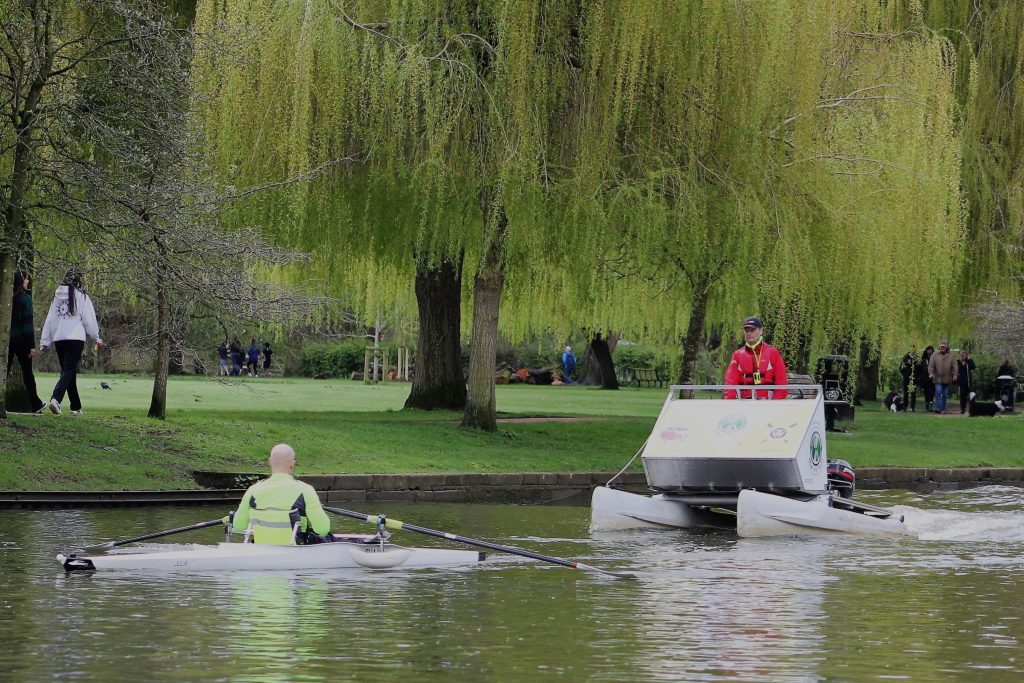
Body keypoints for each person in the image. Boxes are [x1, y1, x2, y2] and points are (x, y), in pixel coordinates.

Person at [228, 443, 331, 545]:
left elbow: (238, 526)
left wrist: (234, 517)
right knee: (327, 537)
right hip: (294, 553)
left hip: (261, 551)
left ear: (269, 462)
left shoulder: (252, 490)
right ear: (292, 464)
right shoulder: (306, 490)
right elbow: (322, 529)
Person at [39, 268, 102, 416]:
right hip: (75, 339)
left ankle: (76, 407)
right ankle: (56, 399)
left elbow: (50, 320)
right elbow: (89, 320)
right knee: (68, 371)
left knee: (69, 371)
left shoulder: (57, 297)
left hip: (60, 340)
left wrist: (45, 342)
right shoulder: (82, 297)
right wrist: (96, 336)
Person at [7, 271, 45, 413]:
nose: (28, 282)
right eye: (26, 280)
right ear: (21, 281)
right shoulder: (25, 299)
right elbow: (27, 325)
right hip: (21, 341)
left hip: (7, 340)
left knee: (4, 371)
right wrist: (32, 346)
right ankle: (35, 404)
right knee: (28, 374)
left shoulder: (7, 298)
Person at [724, 316, 788, 399]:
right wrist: (731, 405)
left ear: (761, 331)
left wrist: (774, 406)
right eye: (746, 330)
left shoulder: (773, 353)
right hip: (744, 405)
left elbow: (781, 383)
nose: (749, 333)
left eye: (752, 330)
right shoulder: (737, 355)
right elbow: (730, 383)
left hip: (768, 405)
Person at [927, 340, 957, 415]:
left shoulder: (951, 355)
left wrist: (955, 375)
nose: (942, 348)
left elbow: (955, 366)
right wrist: (930, 373)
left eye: (944, 346)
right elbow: (931, 364)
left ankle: (942, 409)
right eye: (941, 346)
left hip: (947, 378)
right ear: (939, 347)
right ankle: (938, 408)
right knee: (938, 392)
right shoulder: (935, 354)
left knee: (945, 394)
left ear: (946, 347)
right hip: (937, 378)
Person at [916, 346, 935, 412]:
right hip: (925, 379)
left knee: (932, 394)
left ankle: (930, 408)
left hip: (932, 379)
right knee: (926, 393)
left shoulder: (934, 359)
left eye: (931, 350)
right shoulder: (923, 360)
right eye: (928, 349)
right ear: (926, 351)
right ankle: (927, 407)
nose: (929, 351)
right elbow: (921, 370)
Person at [956, 350, 975, 415]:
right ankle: (962, 409)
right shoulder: (958, 362)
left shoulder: (968, 362)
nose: (964, 357)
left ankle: (972, 409)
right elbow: (955, 370)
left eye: (965, 355)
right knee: (962, 396)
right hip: (961, 382)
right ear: (961, 356)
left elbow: (973, 367)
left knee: (970, 396)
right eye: (963, 355)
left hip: (968, 382)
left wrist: (969, 359)